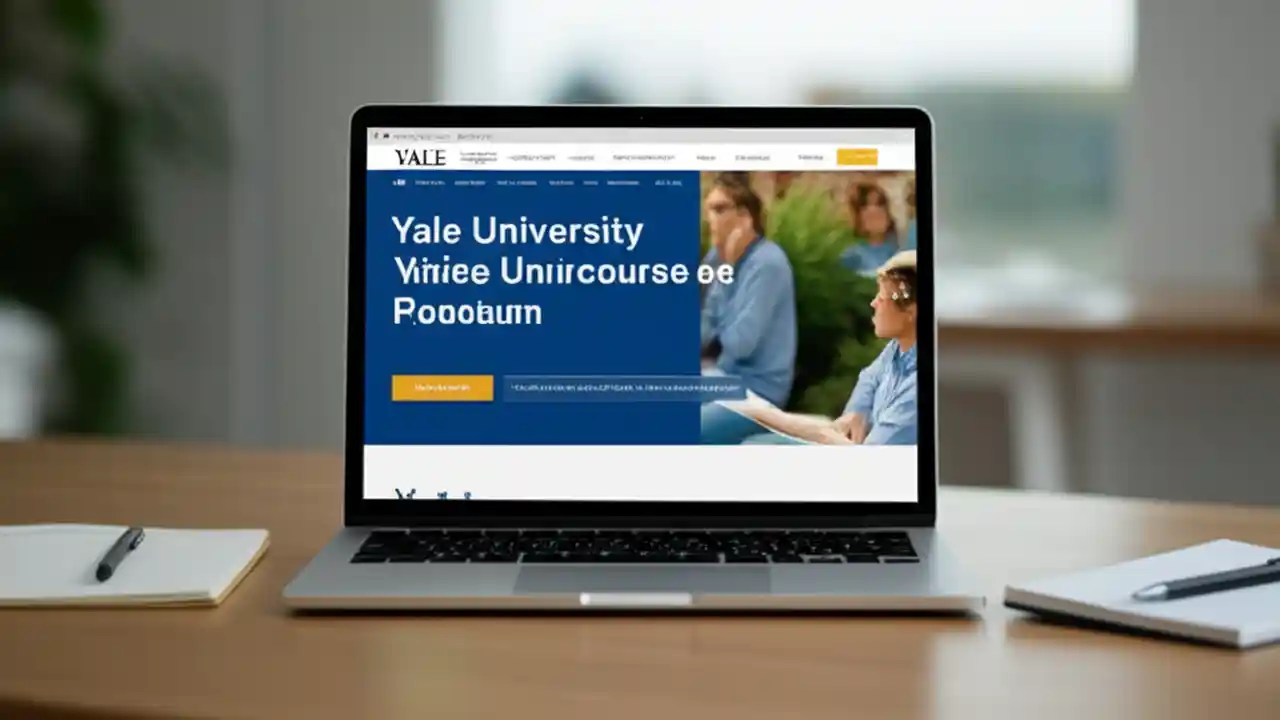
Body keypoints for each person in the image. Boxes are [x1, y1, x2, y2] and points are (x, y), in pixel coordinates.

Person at [736, 250, 919, 446]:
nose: (873, 303)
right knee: (755, 442)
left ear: (911, 311)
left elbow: (870, 458)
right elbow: (869, 378)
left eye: (882, 298)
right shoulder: (898, 349)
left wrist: (819, 433)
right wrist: (857, 411)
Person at [699, 176, 798, 444]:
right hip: (720, 378)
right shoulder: (716, 258)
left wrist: (728, 271)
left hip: (756, 392)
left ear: (745, 217)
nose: (710, 218)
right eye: (708, 209)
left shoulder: (767, 263)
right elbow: (704, 332)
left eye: (719, 209)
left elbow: (740, 344)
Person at [840, 182, 903, 276]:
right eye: (865, 206)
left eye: (879, 204)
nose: (875, 210)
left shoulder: (898, 252)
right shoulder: (850, 255)